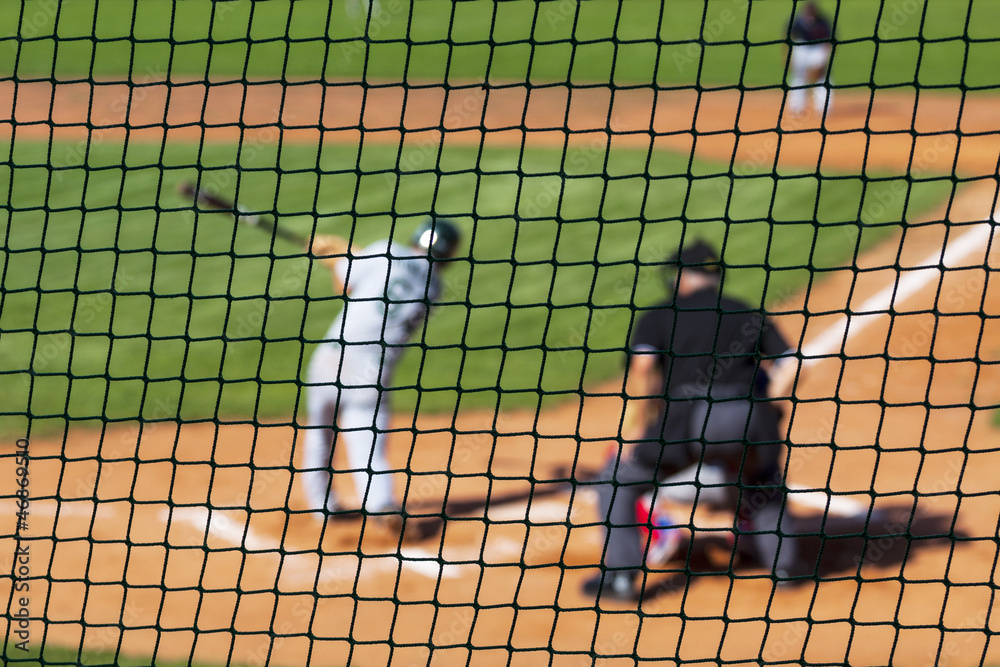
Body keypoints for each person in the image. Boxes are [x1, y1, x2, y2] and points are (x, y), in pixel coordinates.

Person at [582, 240, 801, 602]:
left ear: (682, 277)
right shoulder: (746, 312)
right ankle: (785, 569)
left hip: (691, 419)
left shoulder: (659, 315)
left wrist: (633, 431)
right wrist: (772, 406)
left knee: (615, 482)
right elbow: (793, 362)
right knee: (763, 479)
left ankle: (621, 578)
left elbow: (643, 369)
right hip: (748, 415)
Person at [301, 218, 461, 529]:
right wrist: (350, 254)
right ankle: (380, 505)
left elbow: (344, 285)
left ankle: (323, 508)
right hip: (372, 374)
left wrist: (340, 256)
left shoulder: (387, 250)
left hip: (331, 358)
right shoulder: (434, 288)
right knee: (368, 445)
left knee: (320, 434)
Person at [786, 0, 834, 116]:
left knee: (821, 77)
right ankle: (796, 107)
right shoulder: (798, 21)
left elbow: (830, 41)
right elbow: (789, 36)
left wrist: (823, 59)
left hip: (819, 48)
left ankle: (823, 108)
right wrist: (788, 57)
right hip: (802, 48)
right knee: (799, 76)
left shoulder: (823, 21)